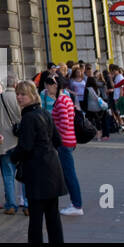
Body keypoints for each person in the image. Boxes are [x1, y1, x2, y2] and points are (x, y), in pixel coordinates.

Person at [12, 80, 66, 243]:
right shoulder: (44, 113)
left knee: (36, 218)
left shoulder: (28, 117)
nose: (19, 98)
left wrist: (13, 156)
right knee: (53, 216)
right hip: (52, 167)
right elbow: (57, 140)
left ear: (32, 96)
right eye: (18, 94)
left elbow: (25, 146)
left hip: (37, 172)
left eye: (23, 94)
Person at [43, 76, 83, 216]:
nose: (46, 89)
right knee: (67, 173)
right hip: (69, 141)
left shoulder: (60, 102)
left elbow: (65, 124)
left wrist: (53, 132)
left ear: (55, 85)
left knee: (69, 174)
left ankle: (77, 204)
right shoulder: (66, 99)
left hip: (64, 142)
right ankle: (75, 203)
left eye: (48, 86)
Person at [0, 77, 25, 215]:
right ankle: (27, 204)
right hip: (19, 142)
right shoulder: (20, 98)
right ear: (16, 84)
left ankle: (11, 204)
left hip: (3, 143)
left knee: (8, 175)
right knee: (23, 175)